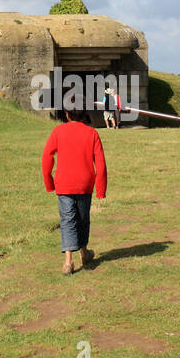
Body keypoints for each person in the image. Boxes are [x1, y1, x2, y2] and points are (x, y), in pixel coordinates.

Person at [41, 107, 107, 275]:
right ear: (84, 114)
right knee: (83, 218)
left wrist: (49, 182)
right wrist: (100, 189)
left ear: (67, 114)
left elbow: (46, 157)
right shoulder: (92, 133)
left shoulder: (58, 131)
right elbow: (100, 164)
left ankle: (68, 262)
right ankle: (84, 253)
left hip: (64, 183)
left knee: (67, 219)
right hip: (85, 184)